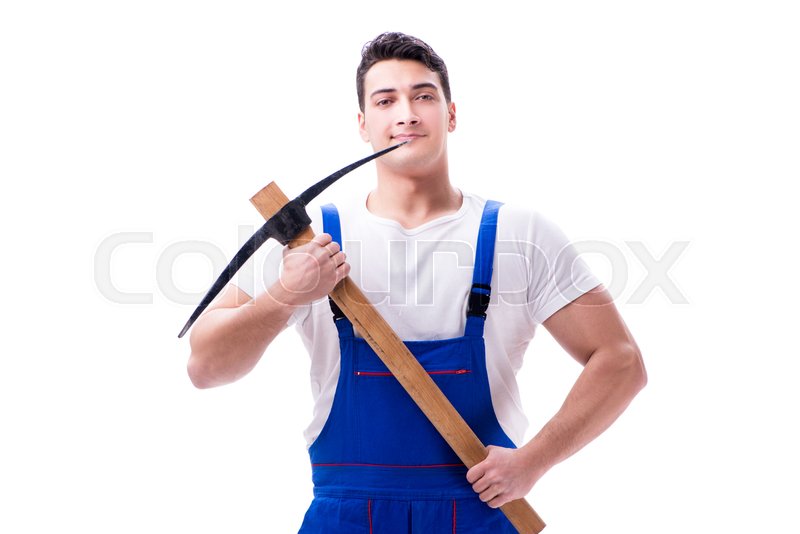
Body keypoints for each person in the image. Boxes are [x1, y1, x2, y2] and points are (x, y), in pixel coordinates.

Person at [186, 32, 647, 532]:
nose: (406, 113)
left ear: (451, 114)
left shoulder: (521, 234)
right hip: (345, 516)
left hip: (481, 512)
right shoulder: (308, 243)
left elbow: (621, 362)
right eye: (385, 100)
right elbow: (205, 366)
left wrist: (533, 461)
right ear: (363, 124)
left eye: (423, 95)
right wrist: (285, 295)